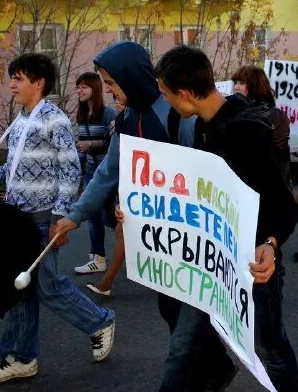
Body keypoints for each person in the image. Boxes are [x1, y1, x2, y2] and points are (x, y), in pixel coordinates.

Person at [54, 42, 236, 391]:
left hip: (192, 239)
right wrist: (76, 215)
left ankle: (195, 375)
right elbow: (109, 171)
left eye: (110, 82)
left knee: (183, 333)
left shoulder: (174, 114)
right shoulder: (126, 119)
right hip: (161, 243)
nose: (107, 90)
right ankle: (218, 366)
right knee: (170, 309)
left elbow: (203, 173)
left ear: (130, 76)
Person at [155, 45, 298, 392]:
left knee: (270, 349)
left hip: (253, 267)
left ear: (186, 94)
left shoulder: (245, 133)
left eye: (166, 94)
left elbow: (287, 205)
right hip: (209, 262)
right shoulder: (195, 124)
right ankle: (216, 371)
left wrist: (270, 244)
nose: (165, 102)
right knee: (183, 338)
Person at [0, 53, 115, 384]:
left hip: (42, 220)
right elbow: (16, 168)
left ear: (39, 83)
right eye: (12, 77)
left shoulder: (55, 120)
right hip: (18, 221)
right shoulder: (21, 119)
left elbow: (70, 170)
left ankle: (100, 321)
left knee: (49, 288)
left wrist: (60, 216)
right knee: (19, 289)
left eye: (19, 78)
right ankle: (22, 357)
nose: (11, 84)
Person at [72, 72, 117, 276]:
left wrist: (91, 144)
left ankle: (136, 248)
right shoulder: (81, 116)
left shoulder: (108, 113)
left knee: (110, 216)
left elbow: (114, 145)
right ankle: (97, 258)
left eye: (84, 87)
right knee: (93, 215)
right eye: (78, 86)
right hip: (91, 171)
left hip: (107, 173)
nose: (79, 90)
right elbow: (81, 149)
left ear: (95, 89)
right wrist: (80, 178)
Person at [232, 65, 293, 183]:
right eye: (235, 83)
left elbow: (281, 158)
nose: (236, 87)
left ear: (255, 85)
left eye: (242, 83)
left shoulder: (276, 116)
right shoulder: (234, 111)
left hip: (264, 187)